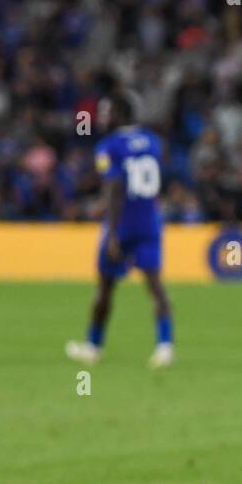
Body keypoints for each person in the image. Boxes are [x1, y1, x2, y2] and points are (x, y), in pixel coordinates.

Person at [66, 93, 174, 368]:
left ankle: (93, 346)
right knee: (155, 285)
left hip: (123, 224)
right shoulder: (153, 140)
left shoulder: (108, 146)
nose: (100, 119)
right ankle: (165, 346)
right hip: (150, 220)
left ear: (121, 114)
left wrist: (112, 232)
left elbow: (114, 188)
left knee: (105, 287)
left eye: (106, 112)